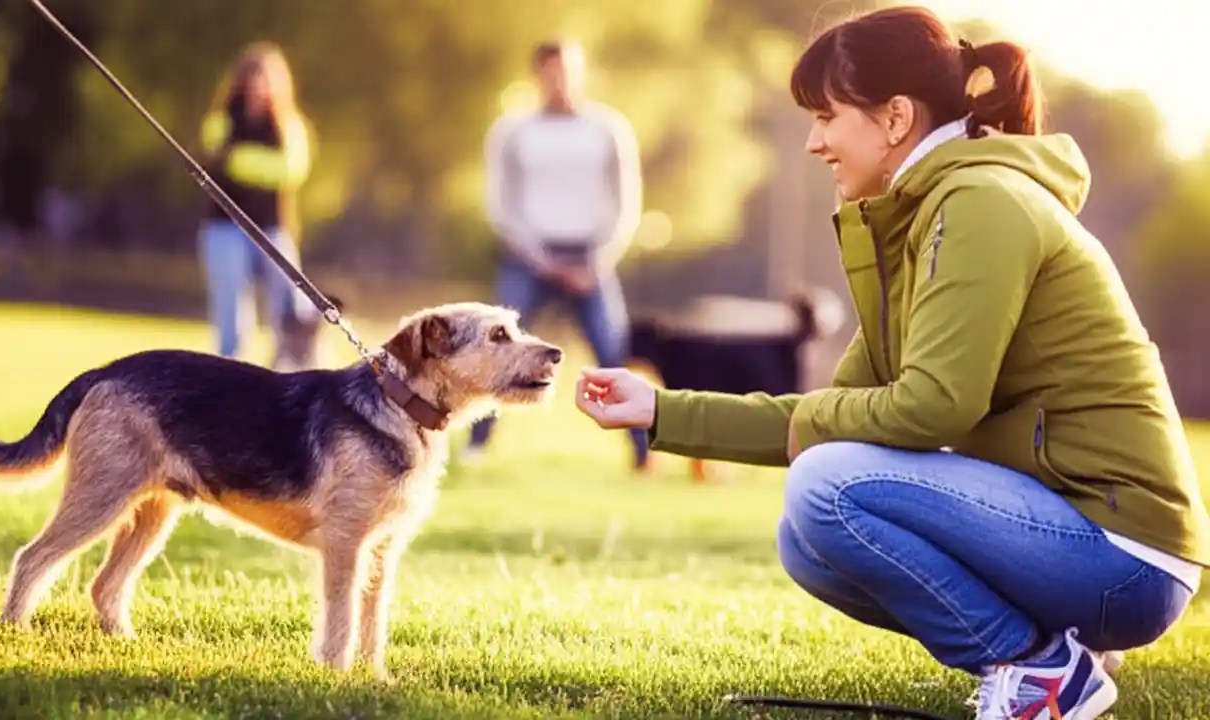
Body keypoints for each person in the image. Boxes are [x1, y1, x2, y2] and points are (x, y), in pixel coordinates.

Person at [574, 6, 1208, 718]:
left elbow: (935, 406)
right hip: (1070, 533)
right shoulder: (920, 215)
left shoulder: (979, 203)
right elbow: (836, 412)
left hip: (1122, 550)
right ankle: (1055, 659)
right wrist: (664, 411)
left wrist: (816, 439)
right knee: (806, 540)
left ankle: (1042, 672)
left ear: (895, 117)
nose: (815, 142)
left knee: (827, 488)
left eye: (827, 115)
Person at [466, 39, 649, 472]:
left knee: (613, 352)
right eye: (550, 73)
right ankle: (476, 445)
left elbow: (627, 203)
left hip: (590, 258)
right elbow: (500, 204)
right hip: (529, 258)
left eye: (566, 72)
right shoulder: (512, 131)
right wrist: (539, 259)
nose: (559, 81)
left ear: (580, 73)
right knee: (496, 352)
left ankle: (643, 453)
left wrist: (599, 259)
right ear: (537, 76)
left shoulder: (608, 128)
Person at [197, 42, 314, 361]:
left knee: (288, 307)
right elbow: (214, 155)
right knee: (230, 310)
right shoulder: (222, 120)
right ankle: (229, 367)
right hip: (224, 228)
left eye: (265, 80)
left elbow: (290, 169)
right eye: (252, 79)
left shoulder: (289, 126)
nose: (258, 88)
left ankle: (286, 367)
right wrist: (256, 165)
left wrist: (240, 161)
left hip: (272, 230)